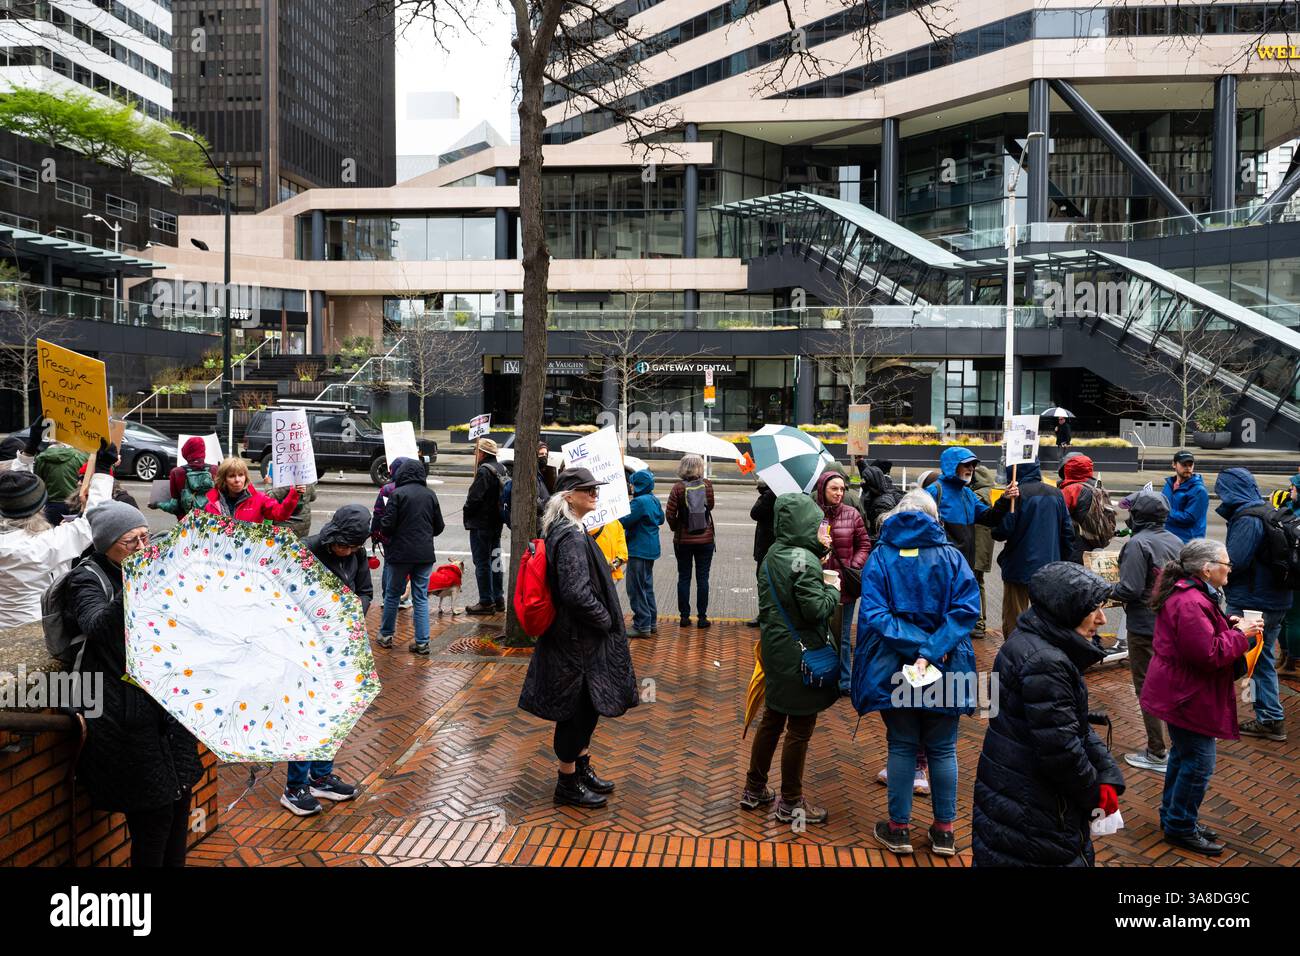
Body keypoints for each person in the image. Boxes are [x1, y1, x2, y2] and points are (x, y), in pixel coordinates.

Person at [70, 501, 203, 866]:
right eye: (132, 542)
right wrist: (137, 580)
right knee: (154, 821)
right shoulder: (87, 578)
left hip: (167, 712)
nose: (142, 548)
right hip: (126, 722)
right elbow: (97, 627)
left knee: (179, 812)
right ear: (107, 544)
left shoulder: (152, 567)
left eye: (146, 537)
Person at [972, 562, 1126, 866]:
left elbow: (1069, 728)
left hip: (1014, 790)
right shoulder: (1047, 662)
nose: (1102, 619)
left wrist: (1106, 771)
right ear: (1066, 609)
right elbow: (1061, 751)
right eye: (1093, 609)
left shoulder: (1030, 642)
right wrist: (1093, 793)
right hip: (1035, 809)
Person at [854, 490, 981, 856]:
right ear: (933, 517)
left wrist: (915, 650)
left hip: (896, 665)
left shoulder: (881, 556)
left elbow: (876, 616)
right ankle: (944, 832)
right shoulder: (952, 558)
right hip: (946, 663)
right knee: (943, 749)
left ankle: (898, 830)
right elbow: (965, 612)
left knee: (902, 745)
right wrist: (931, 651)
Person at [518, 467, 638, 808]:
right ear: (568, 495)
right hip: (577, 642)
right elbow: (575, 592)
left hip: (575, 639)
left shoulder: (570, 528)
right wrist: (604, 620)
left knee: (586, 708)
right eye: (587, 489)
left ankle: (581, 769)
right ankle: (567, 782)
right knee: (577, 711)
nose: (594, 493)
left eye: (595, 488)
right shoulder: (570, 535)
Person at [1140, 539, 1256, 856]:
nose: (1230, 568)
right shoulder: (1191, 601)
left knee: (1183, 757)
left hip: (1181, 691)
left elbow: (1200, 637)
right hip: (1186, 696)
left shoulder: (1191, 594)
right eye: (1226, 563)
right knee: (1199, 764)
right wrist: (1241, 635)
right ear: (1207, 569)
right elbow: (1207, 654)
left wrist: (1229, 625)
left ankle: (1176, 818)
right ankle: (1179, 827)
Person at [740, 492, 841, 824]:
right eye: (817, 524)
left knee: (772, 718)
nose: (821, 528)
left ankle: (754, 788)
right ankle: (791, 801)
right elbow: (815, 610)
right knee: (799, 727)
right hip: (801, 655)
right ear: (804, 523)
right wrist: (833, 589)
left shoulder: (773, 553)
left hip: (774, 649)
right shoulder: (804, 561)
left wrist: (817, 556)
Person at [280, 504, 373, 815]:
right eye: (343, 545)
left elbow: (366, 592)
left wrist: (352, 609)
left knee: (333, 713)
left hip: (341, 645)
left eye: (354, 547)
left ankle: (321, 777)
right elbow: (284, 598)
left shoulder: (357, 554)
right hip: (304, 647)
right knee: (307, 714)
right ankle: (295, 787)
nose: (347, 552)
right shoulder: (308, 551)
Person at [0, 437, 117, 628]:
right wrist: (103, 471)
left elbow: (14, 492)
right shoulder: (42, 545)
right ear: (39, 509)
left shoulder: (24, 541)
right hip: (35, 625)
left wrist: (27, 454)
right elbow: (92, 521)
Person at [1215, 467, 1292, 742]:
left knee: (1225, 655)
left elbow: (1234, 562)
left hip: (1251, 602)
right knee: (1260, 659)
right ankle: (1271, 719)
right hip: (1276, 599)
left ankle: (1210, 714)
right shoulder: (1267, 510)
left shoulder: (1248, 519)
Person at [1110, 489, 1183, 773]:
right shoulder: (1176, 540)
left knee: (1148, 688)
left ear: (1138, 515)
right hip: (1173, 625)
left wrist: (1106, 590)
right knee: (1173, 684)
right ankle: (1179, 746)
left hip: (1144, 627)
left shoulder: (1137, 544)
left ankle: (1157, 751)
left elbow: (1128, 589)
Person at [991, 459, 1076, 639]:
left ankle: (1015, 655)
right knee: (1048, 617)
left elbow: (1001, 532)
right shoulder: (1056, 494)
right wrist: (1063, 562)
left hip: (1018, 565)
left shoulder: (1016, 495)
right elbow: (1067, 533)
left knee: (1014, 616)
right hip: (1050, 567)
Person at [377, 458, 444, 653]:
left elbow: (387, 527)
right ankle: (422, 642)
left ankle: (386, 635)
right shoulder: (430, 495)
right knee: (420, 597)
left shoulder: (397, 494)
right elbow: (438, 526)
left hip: (399, 554)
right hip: (424, 554)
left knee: (392, 595)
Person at [813, 471, 870, 694]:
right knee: (820, 632)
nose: (839, 493)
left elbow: (864, 545)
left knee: (844, 636)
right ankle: (823, 674)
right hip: (819, 583)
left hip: (844, 584)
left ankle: (844, 681)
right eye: (834, 489)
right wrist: (817, 546)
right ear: (822, 490)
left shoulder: (852, 514)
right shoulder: (813, 515)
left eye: (842, 489)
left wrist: (853, 566)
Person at [922, 447, 1014, 573]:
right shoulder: (933, 491)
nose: (971, 468)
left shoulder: (968, 494)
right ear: (952, 466)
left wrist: (1005, 499)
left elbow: (990, 518)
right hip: (942, 569)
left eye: (973, 464)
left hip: (966, 568)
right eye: (966, 464)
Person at [665, 454, 715, 628]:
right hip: (705, 539)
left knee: (684, 577)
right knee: (703, 578)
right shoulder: (707, 485)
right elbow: (711, 507)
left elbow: (670, 514)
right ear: (700, 468)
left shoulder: (678, 488)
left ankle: (684, 617)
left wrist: (676, 527)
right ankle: (702, 617)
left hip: (683, 541)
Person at [463, 438, 507, 615]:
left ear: (482, 453)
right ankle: (499, 598)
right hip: (497, 522)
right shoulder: (501, 468)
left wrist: (467, 511)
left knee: (482, 562)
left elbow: (474, 499)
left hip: (482, 524)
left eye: (476, 451)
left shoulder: (484, 471)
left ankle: (485, 601)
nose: (476, 454)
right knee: (495, 559)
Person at [620, 467, 664, 638]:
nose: (630, 487)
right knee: (646, 587)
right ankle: (651, 621)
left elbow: (623, 520)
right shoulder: (653, 499)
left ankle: (642, 624)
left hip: (639, 549)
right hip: (651, 549)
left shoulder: (639, 502)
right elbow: (660, 518)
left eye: (632, 484)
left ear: (638, 485)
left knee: (635, 588)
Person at [202, 457, 301, 523]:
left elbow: (280, 514)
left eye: (241, 475)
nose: (237, 480)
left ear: (246, 477)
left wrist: (294, 494)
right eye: (232, 476)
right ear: (224, 479)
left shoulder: (259, 499)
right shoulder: (211, 505)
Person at [370, 457, 411, 610]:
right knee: (405, 566)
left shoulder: (387, 489)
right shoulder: (414, 488)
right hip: (408, 535)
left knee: (389, 565)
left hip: (389, 534)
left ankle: (387, 597)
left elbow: (378, 512)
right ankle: (400, 596)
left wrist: (374, 532)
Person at [154, 437, 216, 521]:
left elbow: (173, 507)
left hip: (186, 525)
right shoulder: (215, 470)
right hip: (211, 523)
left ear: (186, 451)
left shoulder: (176, 472)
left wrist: (157, 504)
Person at [970, 464, 998, 638]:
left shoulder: (977, 496)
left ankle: (978, 622)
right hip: (985, 547)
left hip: (976, 546)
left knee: (975, 583)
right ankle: (980, 621)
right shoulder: (993, 494)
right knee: (979, 582)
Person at [34, 441, 88, 527]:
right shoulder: (78, 457)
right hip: (75, 503)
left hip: (51, 504)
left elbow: (38, 482)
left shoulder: (41, 458)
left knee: (51, 535)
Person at [746, 480, 777, 627]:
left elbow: (755, 513)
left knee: (764, 581)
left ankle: (765, 615)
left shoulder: (771, 495)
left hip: (768, 544)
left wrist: (764, 494)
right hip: (776, 544)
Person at [1162, 450, 1209, 544]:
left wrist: (1164, 511)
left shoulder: (1199, 490)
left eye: (1190, 465)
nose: (1188, 468)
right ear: (1174, 464)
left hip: (1188, 542)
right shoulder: (1169, 485)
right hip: (1169, 538)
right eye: (1184, 465)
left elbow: (1188, 518)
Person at [1282, 474, 1300, 674]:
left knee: (1292, 618)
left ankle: (1292, 662)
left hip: (1293, 572)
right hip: (1293, 571)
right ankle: (1288, 657)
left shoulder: (1292, 513)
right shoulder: (1291, 507)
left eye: (1293, 488)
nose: (1290, 490)